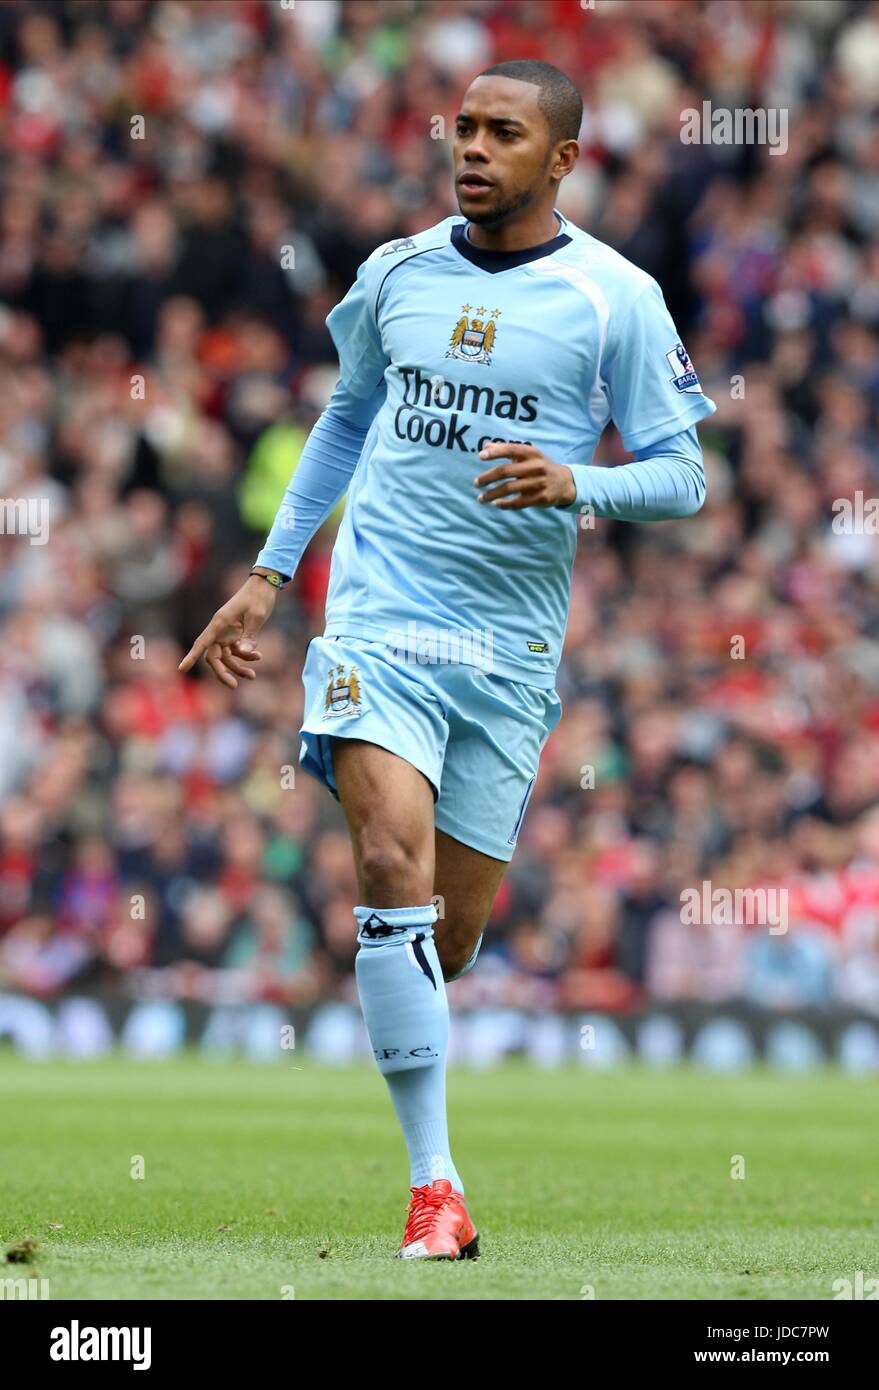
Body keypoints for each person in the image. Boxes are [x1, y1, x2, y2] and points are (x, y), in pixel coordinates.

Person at [179, 60, 715, 1261]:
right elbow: (349, 414)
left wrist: (581, 481)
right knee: (384, 856)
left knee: (448, 934)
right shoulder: (398, 273)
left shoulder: (613, 298)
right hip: (377, 618)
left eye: (503, 132)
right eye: (463, 127)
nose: (471, 147)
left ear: (562, 158)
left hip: (509, 651)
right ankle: (435, 1186)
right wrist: (268, 577)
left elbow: (685, 474)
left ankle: (413, 993)